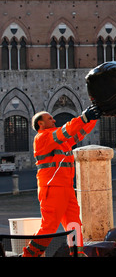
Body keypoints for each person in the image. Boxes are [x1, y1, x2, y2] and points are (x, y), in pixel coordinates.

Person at [23, 105, 102, 257]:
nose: (53, 119)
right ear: (41, 123)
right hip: (52, 187)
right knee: (49, 227)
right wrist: (84, 117)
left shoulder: (59, 139)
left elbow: (78, 132)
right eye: (49, 118)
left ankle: (77, 253)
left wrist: (91, 119)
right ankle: (29, 255)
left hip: (65, 187)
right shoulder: (43, 137)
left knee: (74, 223)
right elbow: (66, 130)